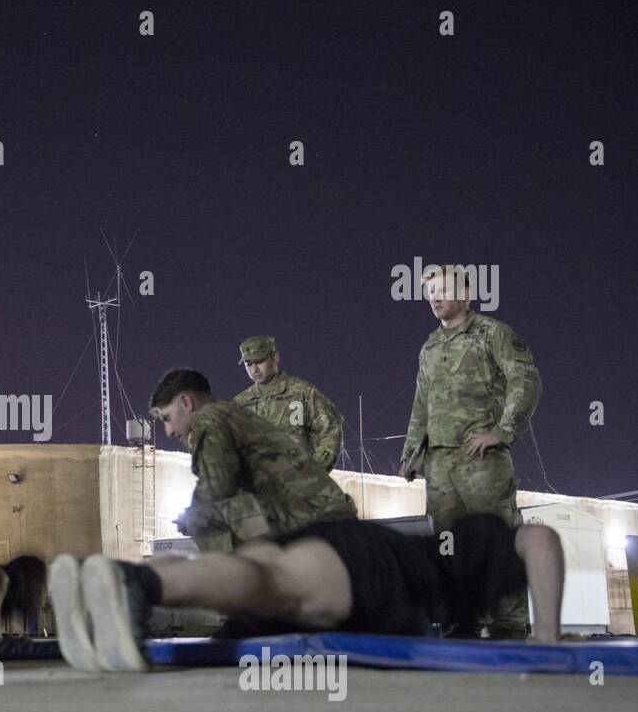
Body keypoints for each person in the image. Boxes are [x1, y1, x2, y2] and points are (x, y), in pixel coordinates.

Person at [48, 513, 564, 672]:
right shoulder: (478, 538)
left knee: (259, 571)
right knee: (277, 585)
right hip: (381, 570)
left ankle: (115, 576)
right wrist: (546, 638)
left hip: (343, 544)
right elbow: (541, 538)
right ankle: (137, 584)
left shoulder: (454, 543)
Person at [398, 264, 542, 638]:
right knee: (447, 545)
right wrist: (412, 453)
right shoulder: (430, 345)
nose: (435, 298)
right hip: (440, 465)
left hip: (481, 460)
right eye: (429, 292)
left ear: (465, 294)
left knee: (496, 539)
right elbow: (421, 403)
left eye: (443, 290)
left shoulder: (492, 333)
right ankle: (461, 619)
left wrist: (503, 431)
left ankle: (508, 625)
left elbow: (525, 381)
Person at [149, 367, 356, 553]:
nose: (168, 431)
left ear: (186, 402)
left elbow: (216, 489)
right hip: (329, 515)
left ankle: (248, 581)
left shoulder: (209, 418)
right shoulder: (232, 412)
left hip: (317, 521)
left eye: (167, 418)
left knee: (202, 517)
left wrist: (187, 517)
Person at [233, 335, 344, 469]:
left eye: (260, 361)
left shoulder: (301, 392)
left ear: (275, 357)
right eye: (249, 364)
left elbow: (330, 429)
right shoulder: (240, 403)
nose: (254, 369)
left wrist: (313, 472)